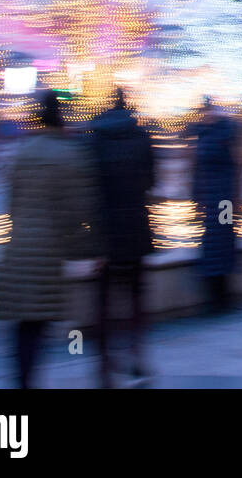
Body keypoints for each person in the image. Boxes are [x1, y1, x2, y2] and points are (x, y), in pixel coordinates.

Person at [0, 91, 99, 388]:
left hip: (18, 249)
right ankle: (28, 382)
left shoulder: (21, 152)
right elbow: (78, 211)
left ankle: (21, 380)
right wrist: (85, 250)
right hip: (48, 254)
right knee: (39, 321)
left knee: (23, 322)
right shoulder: (71, 155)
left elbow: (10, 202)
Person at [88, 88, 156, 387]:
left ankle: (104, 366)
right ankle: (137, 357)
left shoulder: (93, 140)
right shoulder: (142, 138)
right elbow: (152, 181)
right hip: (136, 228)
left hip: (104, 232)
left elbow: (87, 186)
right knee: (136, 298)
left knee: (103, 302)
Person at [190, 97, 239, 313]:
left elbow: (237, 167)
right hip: (212, 199)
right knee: (214, 242)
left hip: (224, 199)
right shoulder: (206, 135)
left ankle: (221, 298)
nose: (206, 114)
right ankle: (217, 297)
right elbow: (197, 170)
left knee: (222, 240)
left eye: (208, 110)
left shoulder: (225, 134)